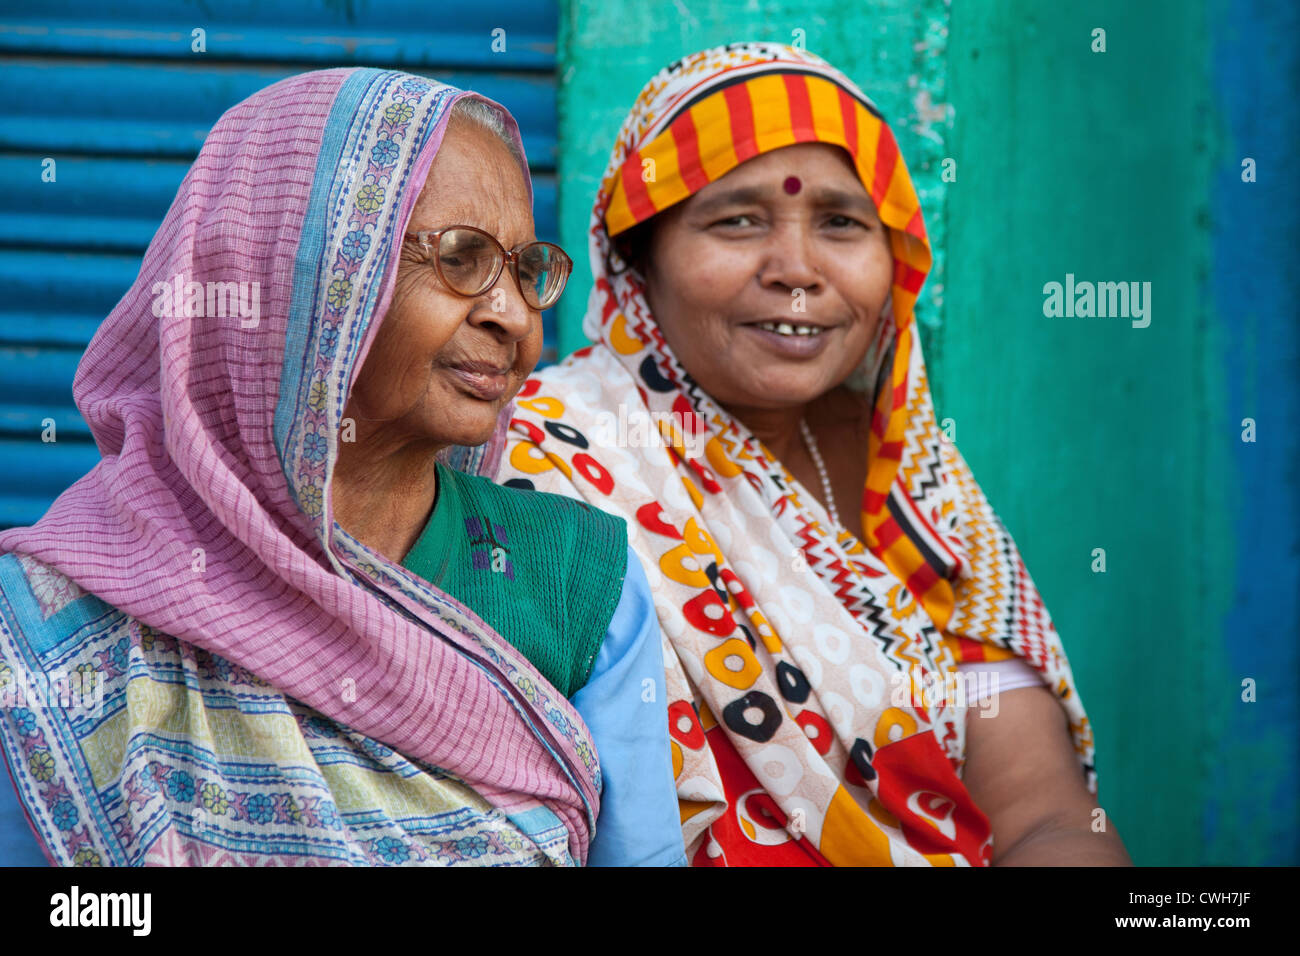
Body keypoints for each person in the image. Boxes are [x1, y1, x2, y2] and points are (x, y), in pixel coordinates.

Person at [0, 68, 684, 867]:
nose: (513, 316)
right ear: (289, 271)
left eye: (526, 269)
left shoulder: (576, 581)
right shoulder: (52, 617)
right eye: (461, 258)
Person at [497, 42, 1132, 866]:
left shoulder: (915, 484)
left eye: (840, 222)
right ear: (638, 261)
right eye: (737, 220)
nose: (797, 273)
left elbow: (1043, 813)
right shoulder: (547, 463)